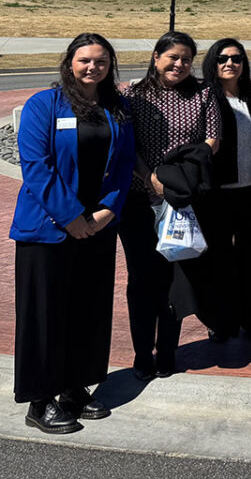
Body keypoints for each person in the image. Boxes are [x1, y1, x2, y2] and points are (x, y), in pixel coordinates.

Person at [10, 33, 135, 433]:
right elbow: (36, 165)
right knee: (45, 315)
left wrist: (105, 212)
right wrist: (71, 217)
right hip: (47, 230)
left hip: (97, 229)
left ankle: (74, 387)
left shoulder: (117, 109)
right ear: (69, 62)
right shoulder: (43, 105)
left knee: (87, 311)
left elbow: (123, 164)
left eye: (100, 61)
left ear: (109, 65)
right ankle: (40, 399)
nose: (92, 67)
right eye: (84, 60)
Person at [120, 31, 221, 379]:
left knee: (174, 277)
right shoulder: (133, 95)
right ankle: (141, 352)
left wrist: (181, 177)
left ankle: (167, 352)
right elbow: (126, 144)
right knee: (142, 279)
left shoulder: (203, 93)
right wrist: (151, 178)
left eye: (186, 59)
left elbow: (212, 138)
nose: (179, 64)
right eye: (173, 57)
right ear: (156, 57)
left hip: (183, 201)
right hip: (138, 199)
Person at [192, 39, 251, 345]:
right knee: (218, 258)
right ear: (213, 64)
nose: (230, 64)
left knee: (249, 256)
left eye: (237, 58)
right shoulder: (204, 97)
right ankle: (218, 319)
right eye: (223, 58)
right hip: (216, 194)